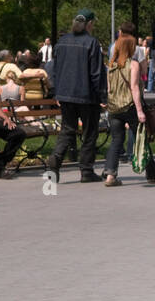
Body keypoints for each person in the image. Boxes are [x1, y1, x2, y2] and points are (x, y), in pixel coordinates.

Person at [46, 10, 108, 183]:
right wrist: (103, 97)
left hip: (66, 94)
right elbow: (96, 73)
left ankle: (55, 159)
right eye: (93, 24)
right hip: (86, 96)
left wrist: (57, 91)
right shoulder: (92, 43)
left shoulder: (62, 42)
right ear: (88, 24)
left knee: (67, 129)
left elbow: (55, 69)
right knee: (89, 133)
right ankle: (86, 171)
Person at [103, 33, 155, 186]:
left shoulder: (111, 65)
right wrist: (139, 111)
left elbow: (109, 88)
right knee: (141, 139)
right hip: (129, 106)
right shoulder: (133, 64)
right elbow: (134, 87)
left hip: (114, 108)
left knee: (116, 140)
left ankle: (110, 174)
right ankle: (152, 172)